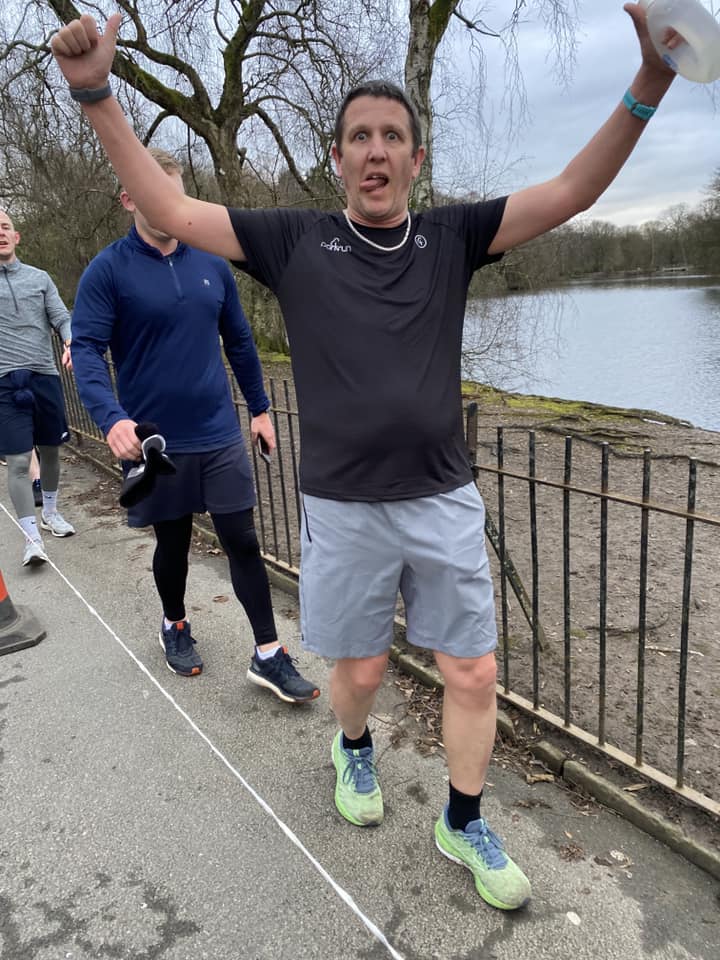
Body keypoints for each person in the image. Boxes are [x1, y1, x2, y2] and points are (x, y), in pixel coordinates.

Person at [51, 2, 676, 910]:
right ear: (338, 158)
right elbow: (169, 205)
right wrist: (97, 95)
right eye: (359, 137)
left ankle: (463, 820)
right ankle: (353, 747)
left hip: (442, 497)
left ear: (416, 160)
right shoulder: (296, 241)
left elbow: (574, 191)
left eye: (393, 137)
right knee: (363, 672)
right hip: (343, 505)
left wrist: (652, 78)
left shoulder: (453, 238)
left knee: (473, 670)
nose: (376, 151)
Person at [70, 148, 319, 702]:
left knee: (242, 539)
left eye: (174, 192)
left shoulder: (211, 262)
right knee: (174, 541)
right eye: (153, 192)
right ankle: (175, 623)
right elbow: (84, 349)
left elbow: (240, 341)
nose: (167, 203)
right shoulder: (108, 270)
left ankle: (268, 653)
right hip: (157, 442)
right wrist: (111, 419)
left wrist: (260, 409)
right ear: (128, 198)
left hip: (218, 431)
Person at [0, 207, 75, 567]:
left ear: (16, 236)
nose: (0, 233)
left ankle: (52, 513)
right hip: (4, 382)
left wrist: (71, 340)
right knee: (17, 460)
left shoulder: (40, 278)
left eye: (5, 227)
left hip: (45, 375)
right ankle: (32, 540)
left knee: (50, 451)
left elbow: (61, 317)